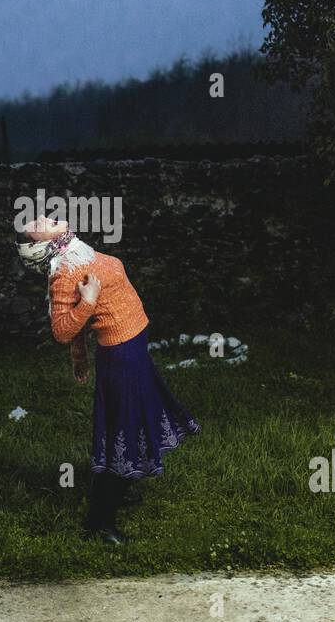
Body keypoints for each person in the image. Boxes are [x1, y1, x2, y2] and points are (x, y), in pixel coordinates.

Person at [15, 215, 199, 543]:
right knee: (124, 434)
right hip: (122, 357)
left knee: (135, 424)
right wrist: (87, 303)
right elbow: (62, 331)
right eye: (35, 221)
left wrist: (80, 359)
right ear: (41, 243)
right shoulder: (63, 271)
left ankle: (119, 489)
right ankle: (99, 523)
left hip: (134, 348)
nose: (42, 215)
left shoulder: (76, 252)